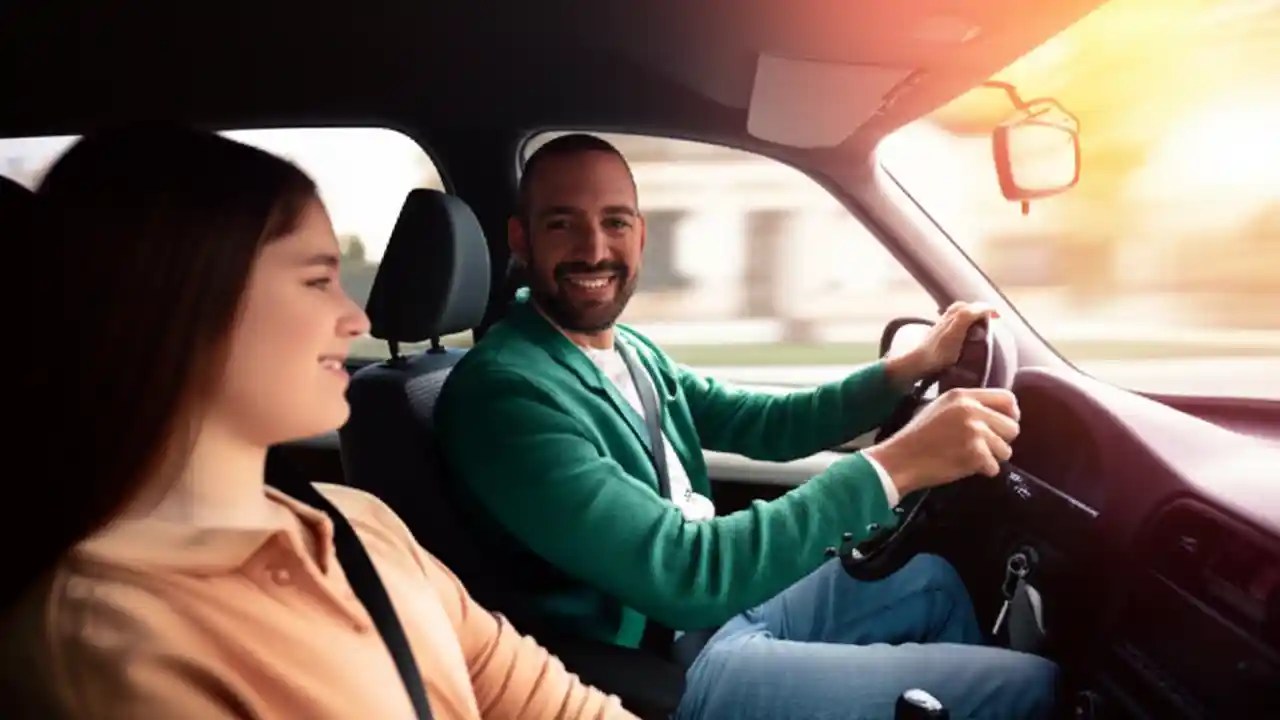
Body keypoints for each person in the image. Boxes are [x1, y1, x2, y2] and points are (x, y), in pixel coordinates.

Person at [0, 127, 634, 720]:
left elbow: (554, 704)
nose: (354, 319)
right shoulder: (113, 642)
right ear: (185, 304)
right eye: (316, 281)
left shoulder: (358, 523)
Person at [435, 133, 1060, 719]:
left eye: (614, 222)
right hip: (664, 663)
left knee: (935, 585)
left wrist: (907, 370)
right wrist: (897, 465)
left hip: (722, 608)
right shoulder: (506, 395)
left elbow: (765, 423)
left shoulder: (623, 350)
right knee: (1033, 689)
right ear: (520, 239)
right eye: (563, 223)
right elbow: (684, 573)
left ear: (641, 235)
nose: (594, 249)